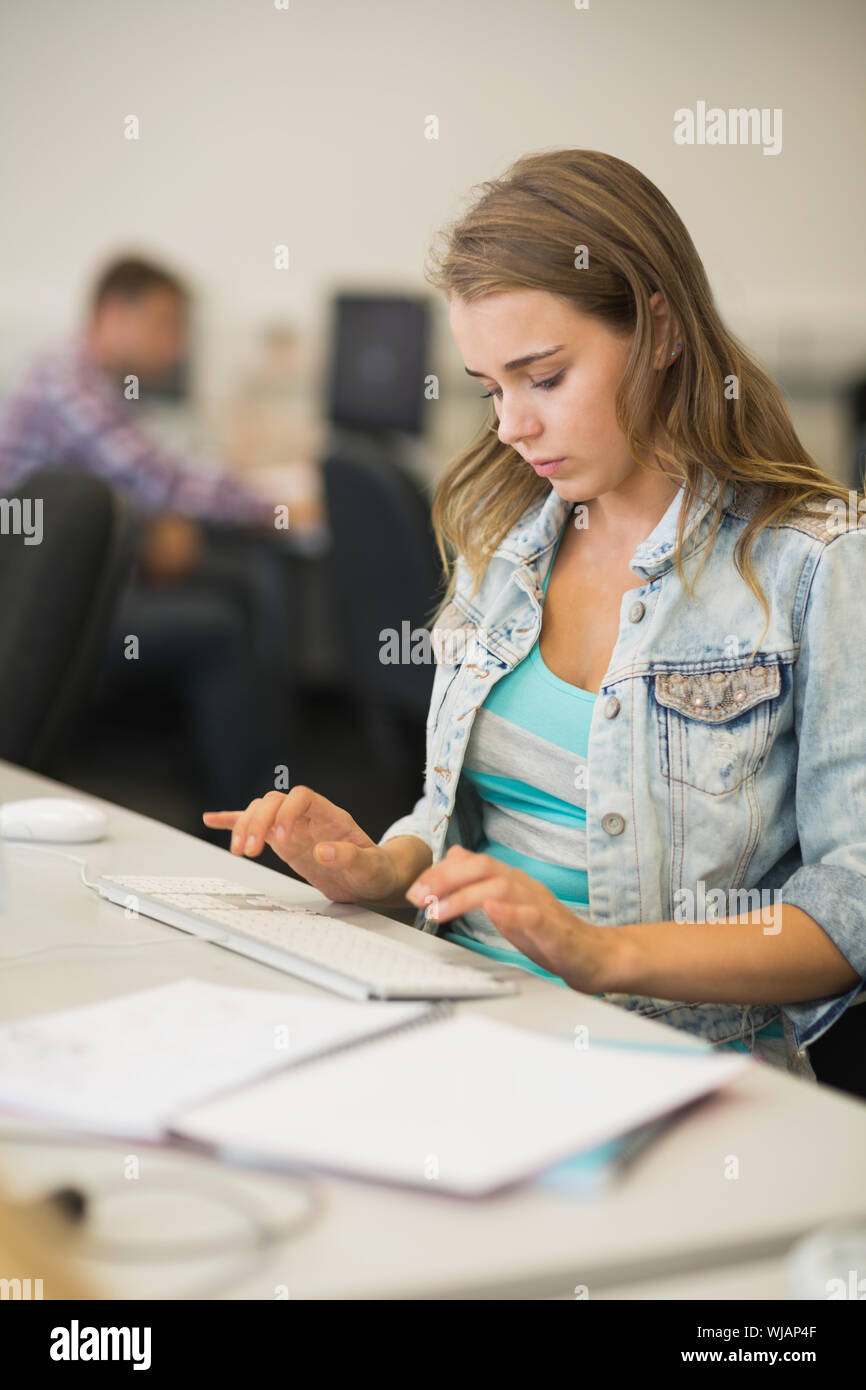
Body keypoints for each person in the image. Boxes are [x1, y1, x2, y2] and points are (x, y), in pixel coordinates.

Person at [203, 148, 866, 1080]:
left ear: (662, 330)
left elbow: (851, 909)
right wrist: (384, 868)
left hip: (668, 1063)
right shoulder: (504, 538)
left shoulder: (818, 560)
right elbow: (453, 811)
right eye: (490, 388)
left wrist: (603, 954)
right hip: (458, 1014)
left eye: (544, 377)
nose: (511, 426)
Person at [0, 255, 296, 808]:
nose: (178, 345)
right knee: (222, 628)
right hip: (31, 613)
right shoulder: (66, 387)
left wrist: (165, 524)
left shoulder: (94, 382)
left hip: (64, 590)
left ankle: (264, 789)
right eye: (167, 323)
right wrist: (271, 506)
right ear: (113, 314)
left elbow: (148, 481)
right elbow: (158, 480)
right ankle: (249, 814)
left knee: (243, 580)